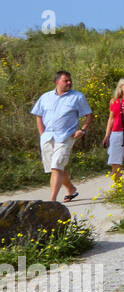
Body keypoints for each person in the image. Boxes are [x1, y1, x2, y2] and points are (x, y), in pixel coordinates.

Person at [30, 69, 95, 202]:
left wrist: (82, 130)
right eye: (66, 81)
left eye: (70, 80)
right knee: (56, 167)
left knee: (56, 166)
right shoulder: (45, 97)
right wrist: (42, 134)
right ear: (57, 82)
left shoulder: (77, 97)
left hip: (66, 136)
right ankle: (71, 189)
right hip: (47, 137)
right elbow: (39, 115)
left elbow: (89, 115)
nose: (69, 83)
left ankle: (52, 201)